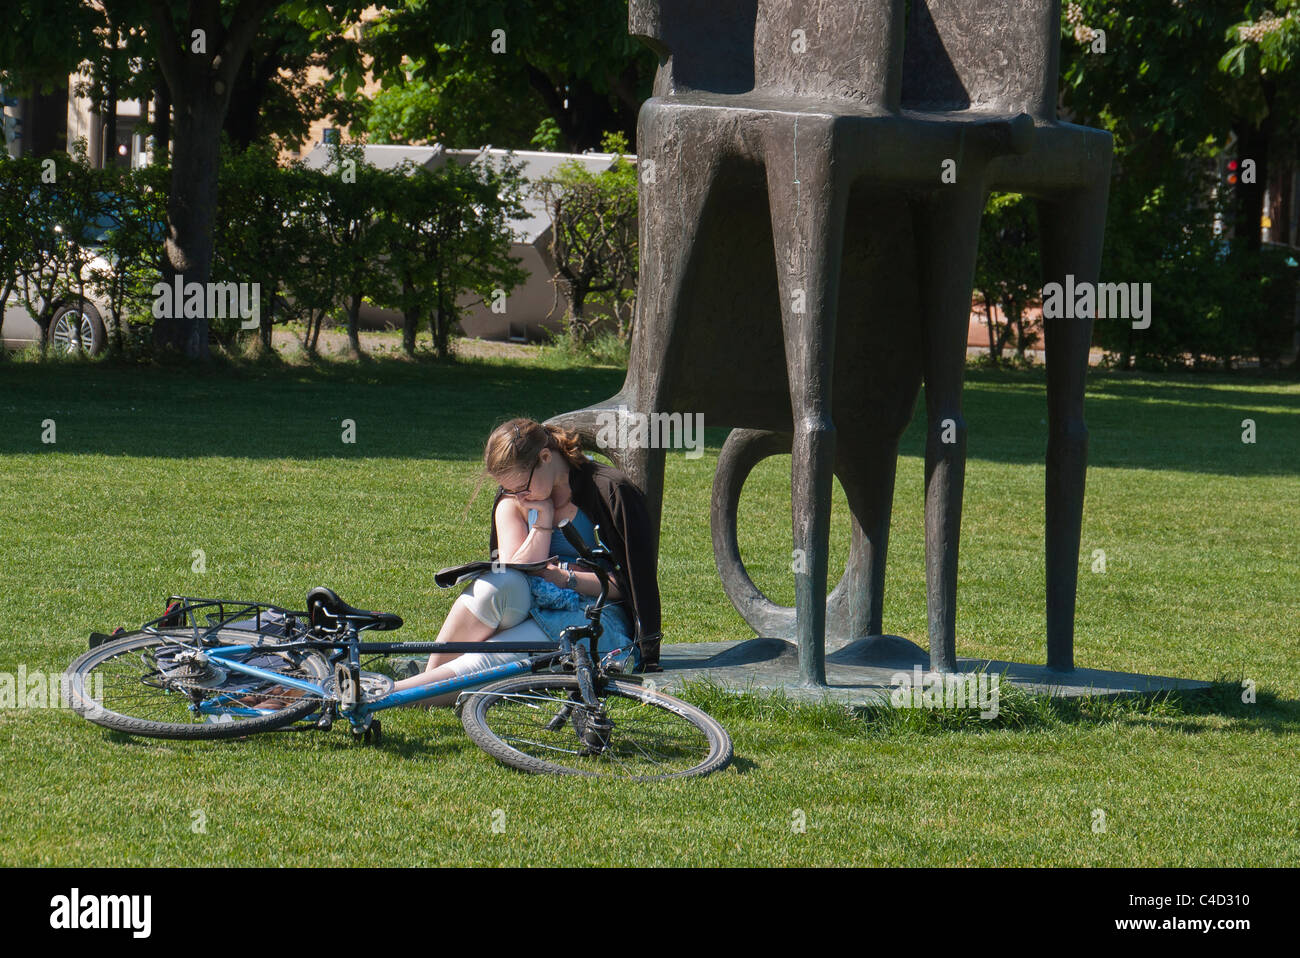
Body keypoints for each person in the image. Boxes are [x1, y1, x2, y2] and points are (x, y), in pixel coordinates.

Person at [392, 417, 663, 706]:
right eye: (510, 490)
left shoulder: (610, 491)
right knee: (492, 585)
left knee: (492, 658)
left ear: (545, 457)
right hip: (533, 599)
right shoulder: (518, 496)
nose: (519, 495)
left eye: (522, 486)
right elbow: (511, 572)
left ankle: (387, 694)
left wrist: (566, 578)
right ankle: (429, 676)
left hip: (593, 615)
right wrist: (542, 521)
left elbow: (631, 586)